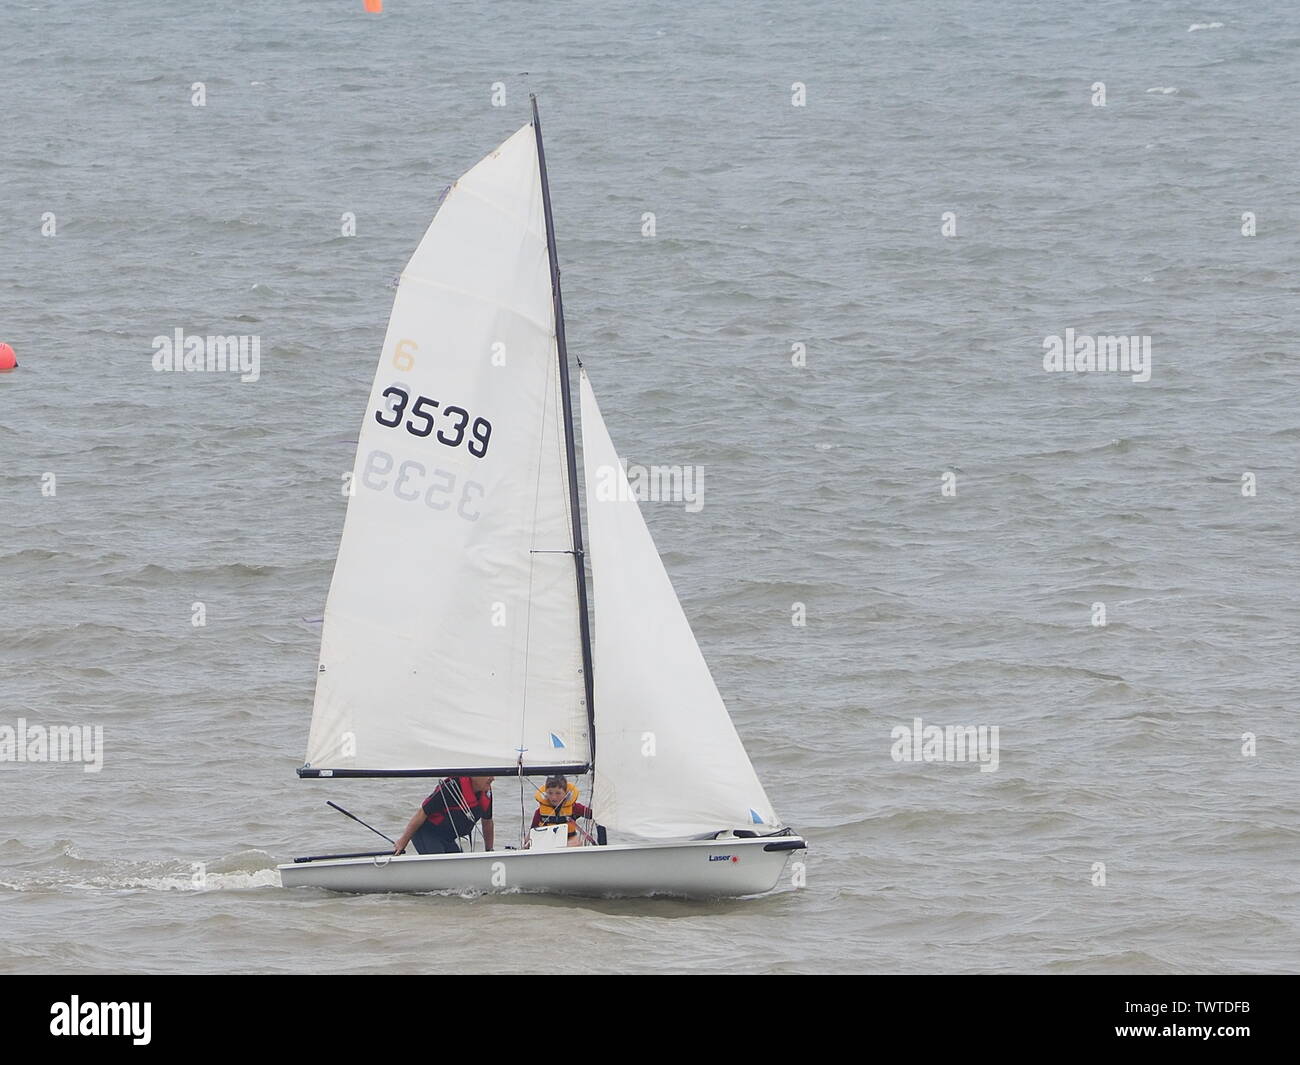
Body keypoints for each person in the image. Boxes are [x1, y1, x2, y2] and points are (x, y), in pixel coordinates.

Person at [393, 775, 494, 855]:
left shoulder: (485, 792)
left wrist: (489, 851)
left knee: (459, 870)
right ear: (473, 775)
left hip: (448, 838)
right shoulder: (452, 787)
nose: (493, 778)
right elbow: (421, 813)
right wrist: (402, 842)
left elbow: (487, 822)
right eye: (488, 774)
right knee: (441, 867)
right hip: (427, 832)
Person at [525, 775, 593, 848]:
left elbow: (596, 815)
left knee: (577, 841)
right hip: (547, 846)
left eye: (558, 793)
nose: (554, 797)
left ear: (566, 793)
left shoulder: (574, 808)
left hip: (568, 845)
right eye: (550, 793)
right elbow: (532, 832)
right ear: (545, 793)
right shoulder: (539, 812)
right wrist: (525, 845)